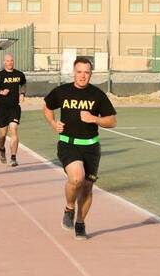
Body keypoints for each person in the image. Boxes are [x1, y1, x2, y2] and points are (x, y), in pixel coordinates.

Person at [42, 56, 116, 240]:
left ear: (90, 74)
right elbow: (47, 106)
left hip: (91, 147)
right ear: (73, 72)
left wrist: (95, 119)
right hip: (68, 144)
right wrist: (53, 123)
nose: (82, 76)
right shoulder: (62, 91)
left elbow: (112, 120)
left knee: (87, 188)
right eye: (79, 72)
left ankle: (80, 222)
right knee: (77, 178)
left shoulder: (97, 95)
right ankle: (69, 207)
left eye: (86, 73)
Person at [0, 53, 27, 166]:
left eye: (11, 61)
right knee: (2, 134)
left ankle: (13, 157)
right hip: (1, 109)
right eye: (7, 61)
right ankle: (2, 148)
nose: (10, 63)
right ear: (4, 62)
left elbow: (23, 83)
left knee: (14, 129)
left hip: (14, 108)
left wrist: (22, 94)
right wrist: (1, 92)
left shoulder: (19, 74)